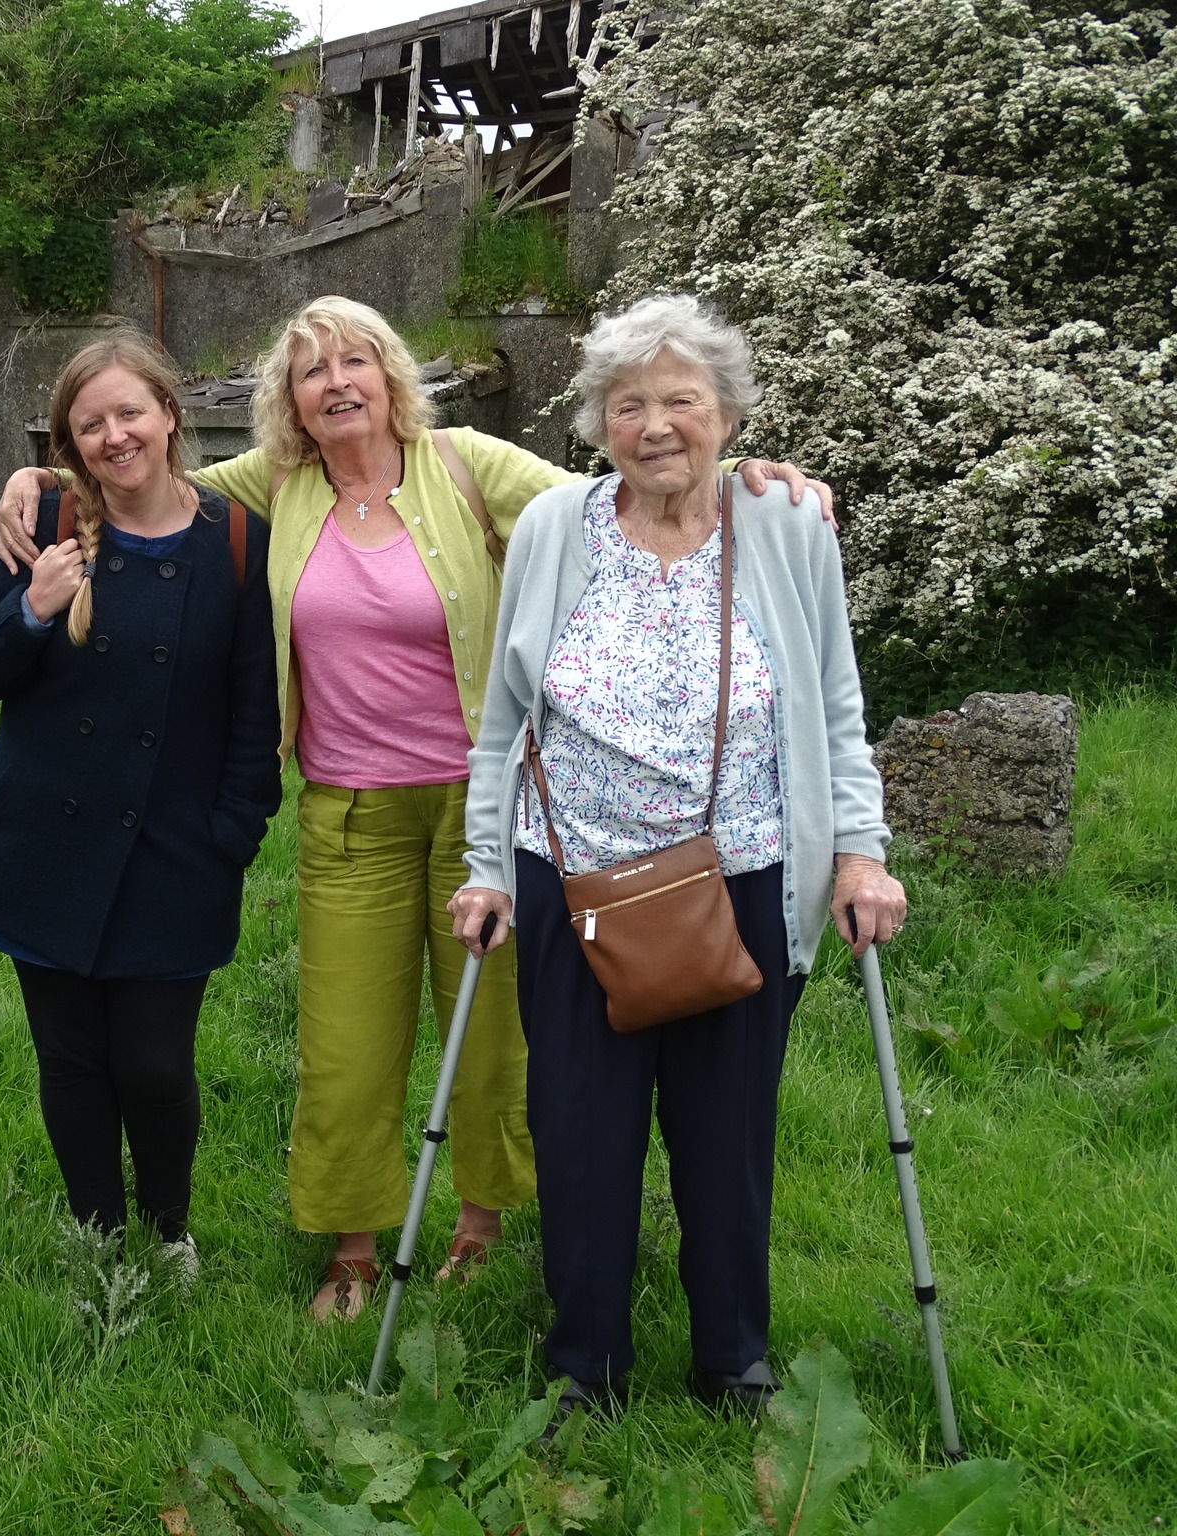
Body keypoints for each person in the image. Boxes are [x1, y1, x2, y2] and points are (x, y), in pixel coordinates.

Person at [0, 296, 827, 1322]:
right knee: (343, 1046)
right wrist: (37, 478)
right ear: (287, 402)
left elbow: (630, 495)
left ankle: (477, 1227)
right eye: (310, 371)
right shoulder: (275, 486)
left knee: (487, 1040)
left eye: (355, 359)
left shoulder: (471, 463)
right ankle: (350, 1246)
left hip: (488, 809)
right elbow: (139, 476)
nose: (335, 382)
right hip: (348, 813)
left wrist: (745, 478)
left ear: (391, 375)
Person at [449, 293, 904, 1423]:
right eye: (627, 403)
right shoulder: (556, 526)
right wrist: (487, 867)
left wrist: (857, 854)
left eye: (679, 401)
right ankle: (582, 1365)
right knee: (578, 1132)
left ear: (726, 415)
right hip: (572, 880)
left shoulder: (787, 527)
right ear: (599, 422)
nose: (654, 424)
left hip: (743, 877)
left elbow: (834, 709)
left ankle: (732, 1359)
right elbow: (504, 719)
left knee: (725, 1135)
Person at [0, 329, 281, 1273]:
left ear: (171, 415)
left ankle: (169, 1230)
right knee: (72, 1061)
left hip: (177, 853)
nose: (113, 436)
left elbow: (253, 707)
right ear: (69, 442)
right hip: (43, 849)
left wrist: (233, 833)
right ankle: (95, 1231)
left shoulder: (232, 538)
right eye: (89, 424)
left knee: (154, 1062)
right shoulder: (47, 520)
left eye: (129, 412)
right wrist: (31, 611)